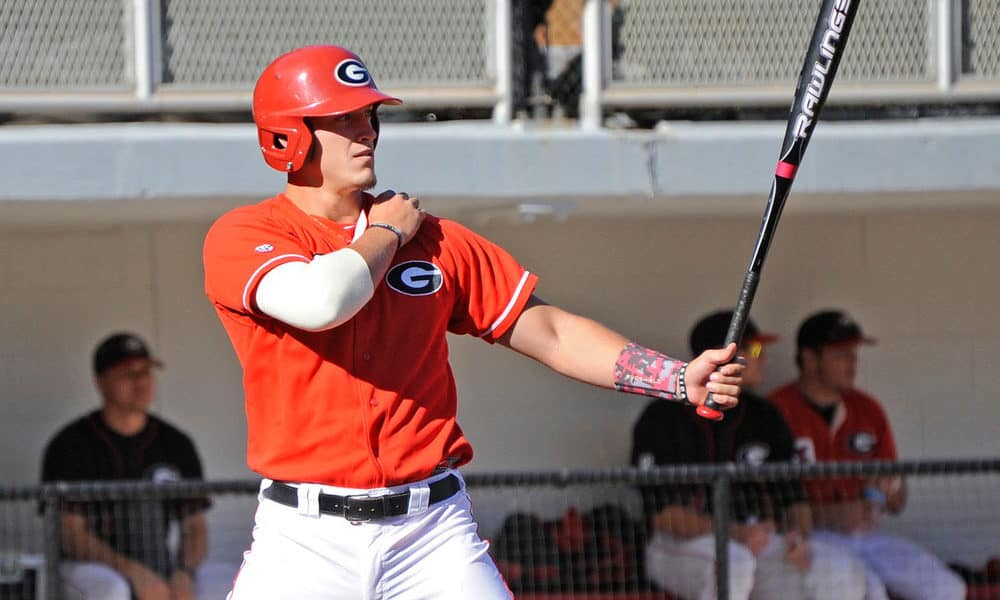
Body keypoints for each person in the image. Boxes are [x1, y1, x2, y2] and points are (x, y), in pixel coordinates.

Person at [201, 44, 744, 600]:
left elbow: (552, 333)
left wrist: (677, 378)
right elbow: (323, 301)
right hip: (303, 539)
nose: (366, 131)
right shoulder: (245, 234)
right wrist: (387, 233)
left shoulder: (438, 240)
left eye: (370, 115)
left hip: (430, 533)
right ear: (287, 136)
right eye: (343, 118)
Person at [632, 311, 866, 600]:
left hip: (751, 538)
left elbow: (792, 496)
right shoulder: (663, 417)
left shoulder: (763, 415)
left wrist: (797, 536)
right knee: (734, 563)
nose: (763, 358)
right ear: (720, 357)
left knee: (835, 566)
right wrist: (738, 533)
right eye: (753, 350)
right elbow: (664, 517)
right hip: (679, 546)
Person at [769, 309, 966, 600]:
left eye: (854, 354)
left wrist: (889, 489)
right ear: (809, 358)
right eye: (841, 355)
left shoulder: (867, 409)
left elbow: (898, 499)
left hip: (866, 535)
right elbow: (758, 504)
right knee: (869, 590)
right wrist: (827, 515)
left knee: (947, 588)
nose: (853, 364)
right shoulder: (774, 410)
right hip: (811, 538)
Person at [40, 332, 210, 600]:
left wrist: (184, 572)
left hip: (158, 564)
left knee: (226, 581)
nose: (141, 382)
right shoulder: (70, 444)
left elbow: (195, 526)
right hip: (88, 566)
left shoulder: (176, 443)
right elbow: (71, 535)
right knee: (112, 589)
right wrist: (131, 571)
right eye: (127, 374)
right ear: (100, 382)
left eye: (145, 372)